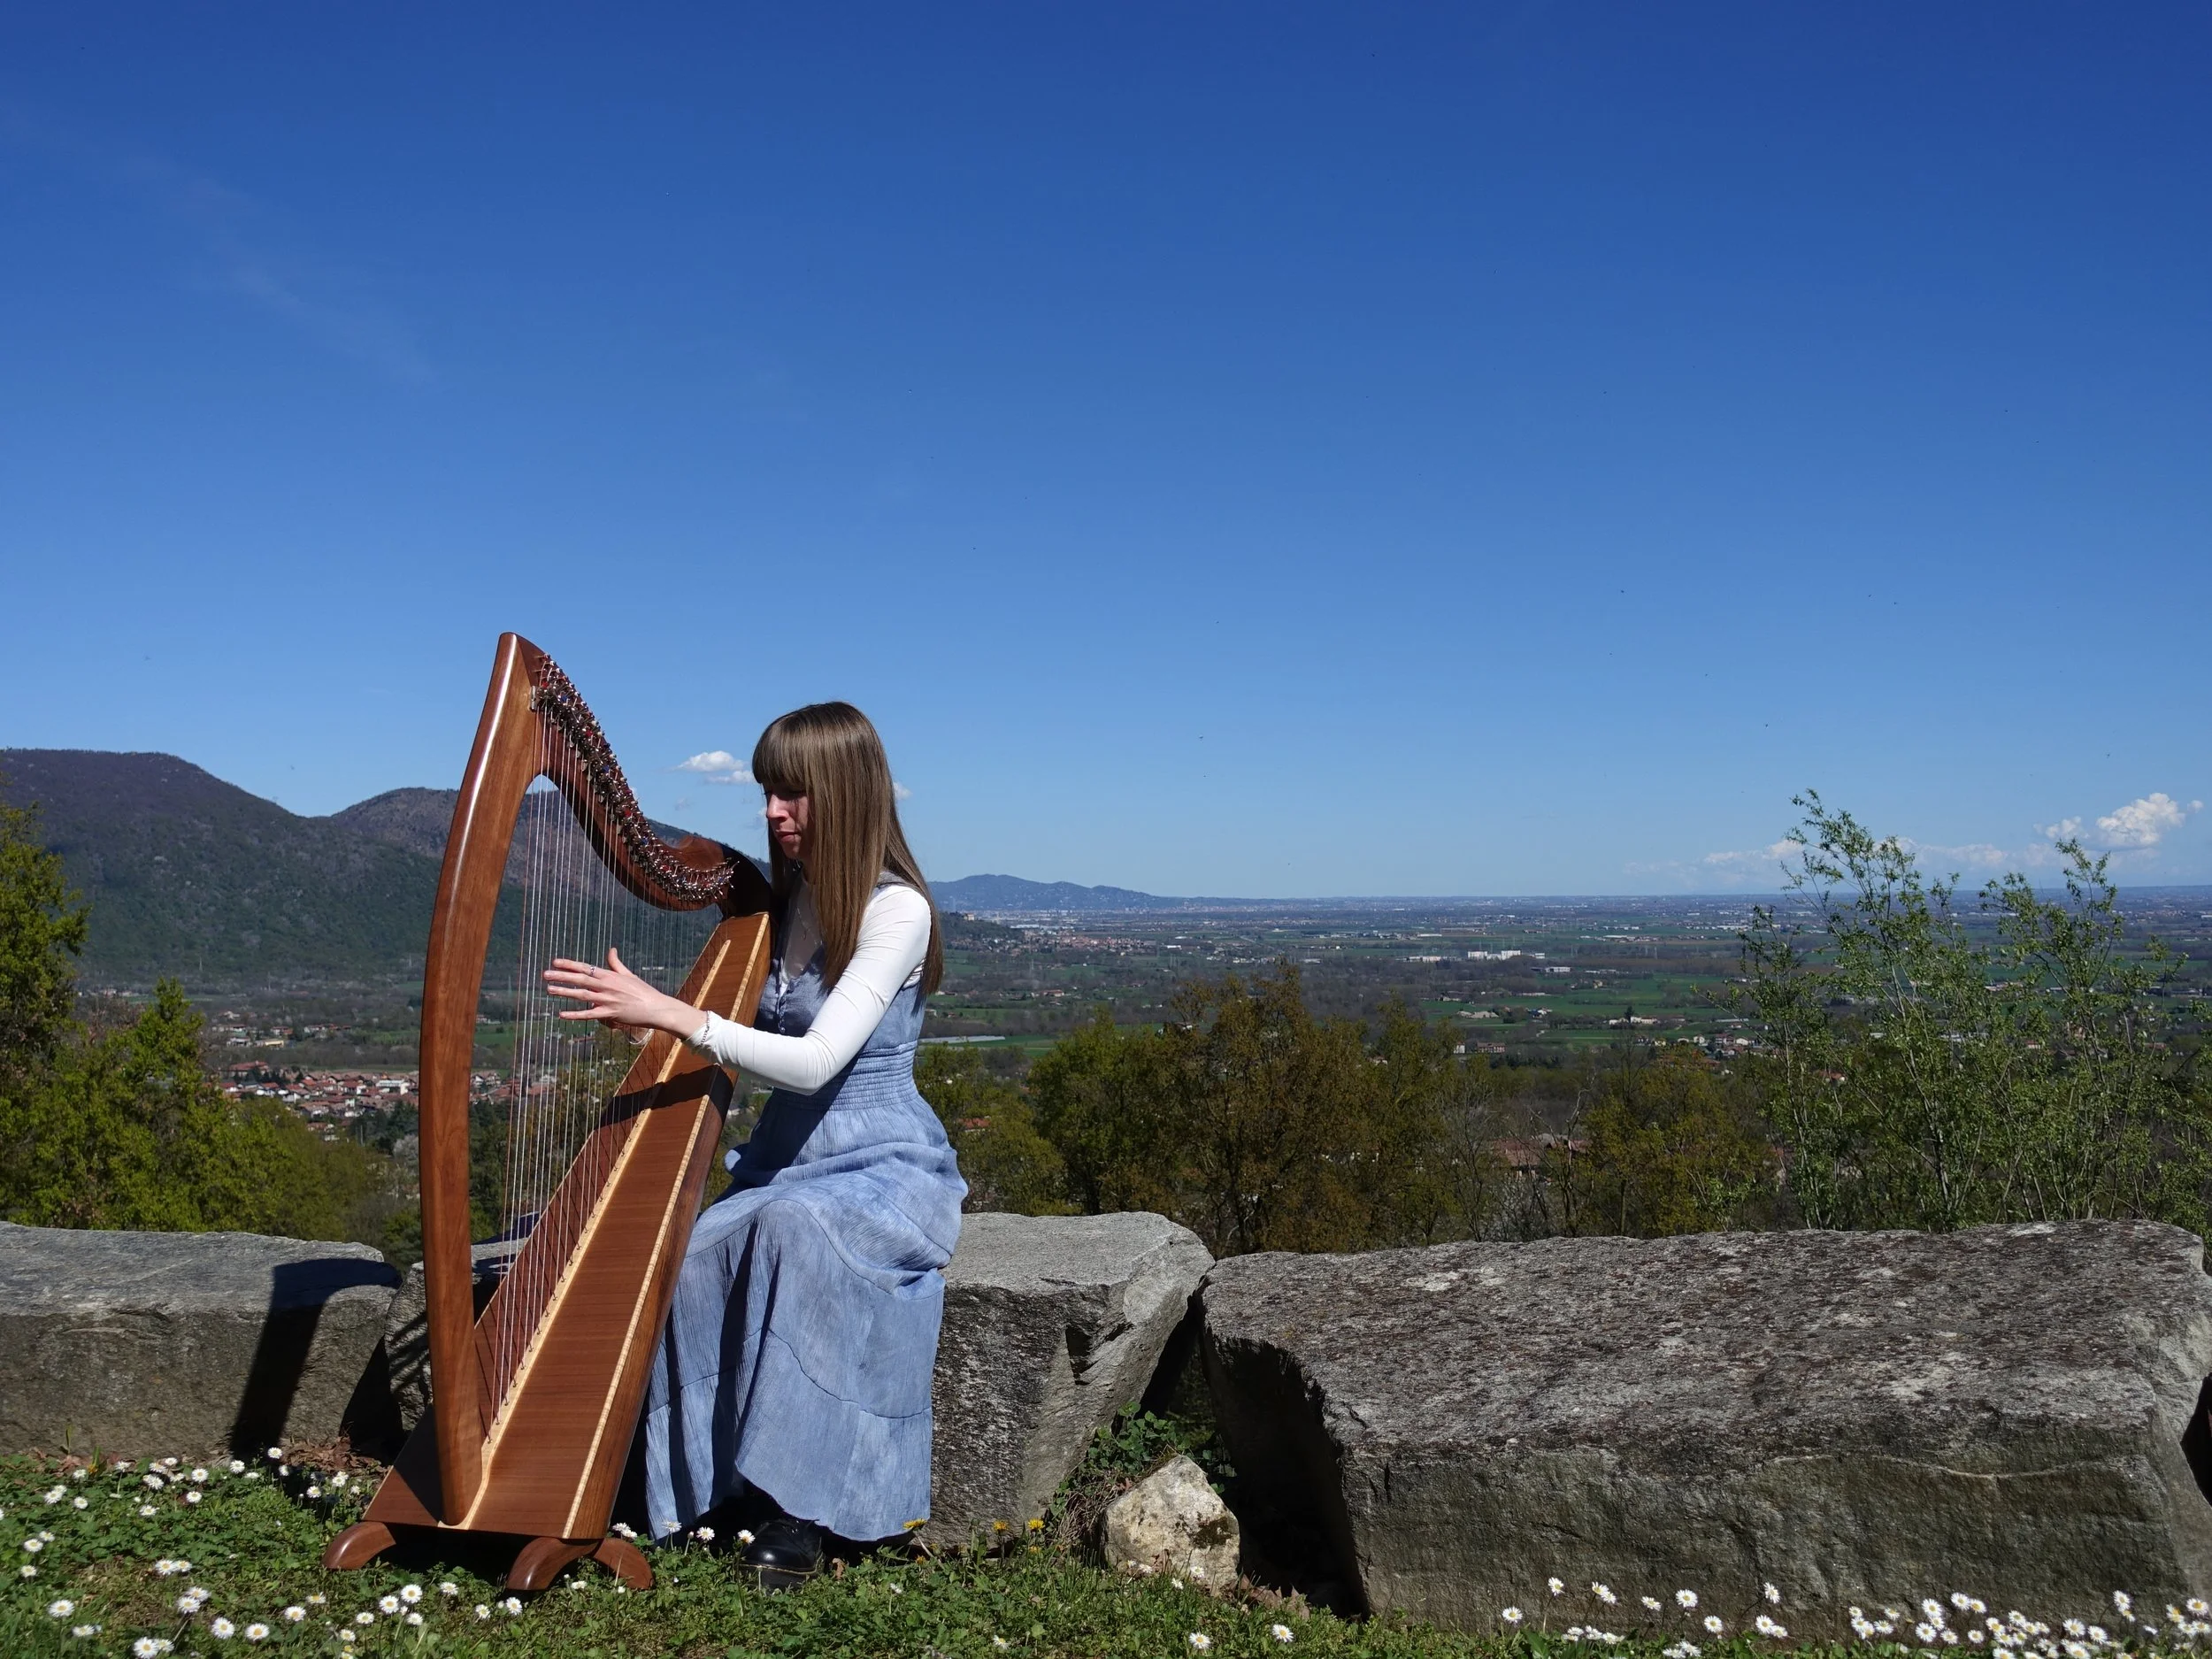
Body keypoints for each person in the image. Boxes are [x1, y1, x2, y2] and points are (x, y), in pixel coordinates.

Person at [542, 701, 964, 1588]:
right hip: (787, 1158)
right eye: (768, 791)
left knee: (793, 1233)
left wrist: (672, 1012)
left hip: (881, 1164)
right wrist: (653, 1025)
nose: (773, 811)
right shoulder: (788, 899)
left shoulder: (898, 912)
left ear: (846, 793)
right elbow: (753, 1037)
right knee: (686, 1250)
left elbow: (813, 1063)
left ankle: (796, 1509)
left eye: (793, 793)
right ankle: (694, 1482)